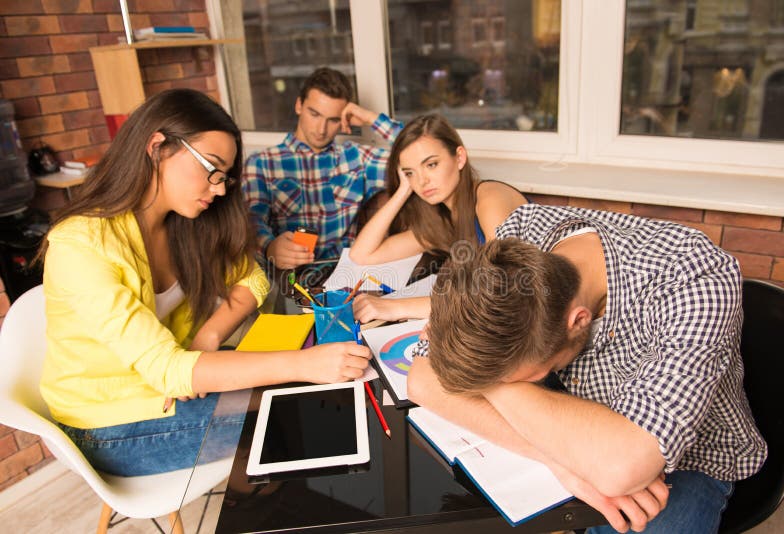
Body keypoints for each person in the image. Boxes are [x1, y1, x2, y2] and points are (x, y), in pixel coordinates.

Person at [39, 89, 372, 477]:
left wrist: (210, 335)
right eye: (211, 168)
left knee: (313, 394)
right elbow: (168, 368)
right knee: (297, 414)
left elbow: (251, 276)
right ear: (157, 147)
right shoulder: (80, 244)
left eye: (225, 176)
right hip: (105, 423)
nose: (219, 188)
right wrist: (303, 364)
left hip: (174, 384)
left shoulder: (180, 225)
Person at [407, 204, 767, 533]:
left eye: (517, 379)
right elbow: (422, 379)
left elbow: (622, 467)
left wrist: (492, 385)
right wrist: (563, 462)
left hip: (689, 460)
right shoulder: (519, 236)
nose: (502, 383)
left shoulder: (694, 276)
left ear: (579, 321)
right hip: (577, 434)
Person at [348, 113, 526, 322]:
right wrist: (403, 191)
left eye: (431, 164)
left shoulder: (491, 197)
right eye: (410, 172)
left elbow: (501, 291)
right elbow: (362, 255)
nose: (422, 181)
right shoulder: (441, 222)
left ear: (459, 158)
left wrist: (394, 307)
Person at [243, 67, 404, 270]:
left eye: (333, 120)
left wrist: (370, 118)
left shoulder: (357, 158)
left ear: (344, 119)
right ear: (299, 105)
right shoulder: (261, 163)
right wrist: (269, 247)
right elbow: (252, 220)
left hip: (346, 275)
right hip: (292, 277)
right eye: (315, 114)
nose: (321, 129)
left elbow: (421, 153)